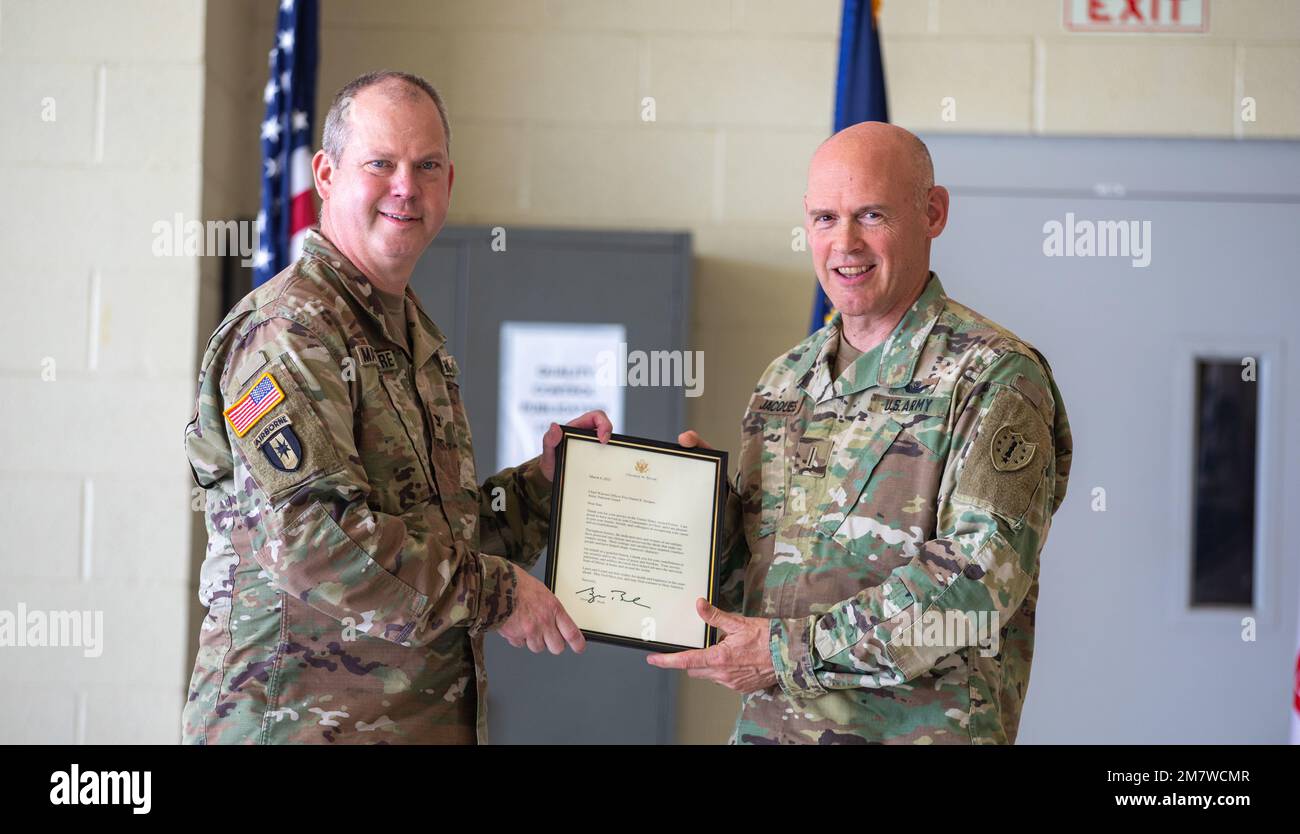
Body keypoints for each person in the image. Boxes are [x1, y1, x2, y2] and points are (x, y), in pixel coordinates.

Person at [182, 70, 609, 744]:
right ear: (326, 174)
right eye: (381, 163)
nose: (406, 187)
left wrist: (546, 486)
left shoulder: (412, 340)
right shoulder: (292, 331)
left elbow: (439, 537)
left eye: (427, 166)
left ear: (448, 184)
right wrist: (499, 594)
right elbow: (315, 541)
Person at [648, 122, 1072, 745]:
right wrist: (697, 516)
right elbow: (759, 587)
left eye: (871, 214)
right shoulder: (786, 382)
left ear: (933, 212)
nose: (845, 244)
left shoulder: (995, 378)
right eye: (824, 218)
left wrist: (788, 655)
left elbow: (974, 589)